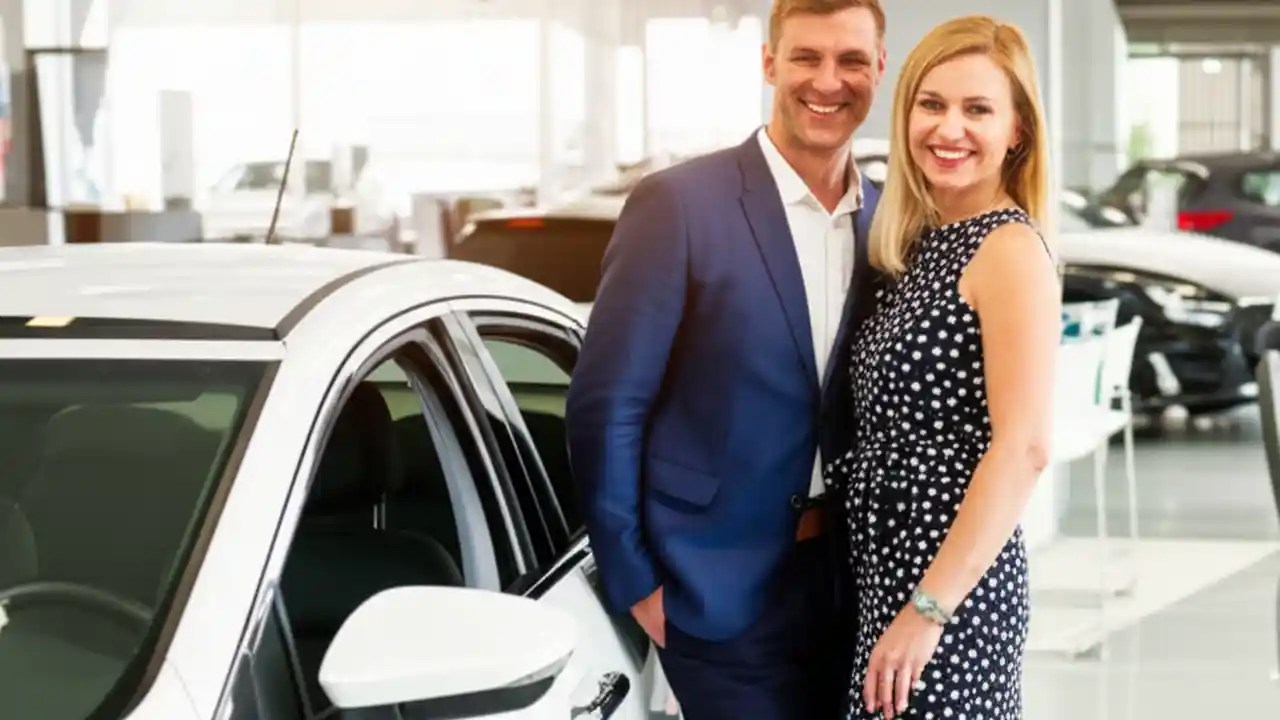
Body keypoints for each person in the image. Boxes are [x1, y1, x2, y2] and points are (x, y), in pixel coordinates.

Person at [565, 1, 887, 718]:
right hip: (709, 584)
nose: (827, 81)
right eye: (806, 57)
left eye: (851, 60)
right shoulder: (678, 205)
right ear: (770, 63)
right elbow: (607, 404)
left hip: (849, 585)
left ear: (879, 70)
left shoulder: (888, 220)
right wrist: (636, 580)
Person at [823, 14, 1060, 720]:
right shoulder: (923, 244)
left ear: (1016, 130)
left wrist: (927, 612)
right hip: (888, 580)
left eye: (977, 109)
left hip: (946, 596)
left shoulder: (1009, 249)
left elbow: (1023, 449)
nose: (948, 128)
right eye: (932, 104)